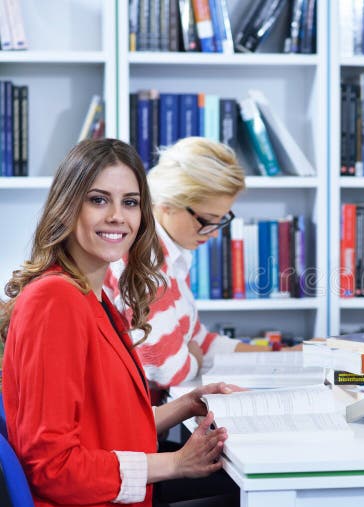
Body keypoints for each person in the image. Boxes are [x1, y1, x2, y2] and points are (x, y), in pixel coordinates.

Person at [0, 139, 237, 507]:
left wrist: (185, 405)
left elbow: (106, 430)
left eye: (130, 202)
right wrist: (177, 464)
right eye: (98, 200)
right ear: (67, 206)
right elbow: (53, 466)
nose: (117, 216)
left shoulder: (92, 297)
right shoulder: (55, 300)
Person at [104, 137, 265, 395]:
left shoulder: (171, 255)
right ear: (168, 203)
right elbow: (163, 365)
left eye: (222, 220)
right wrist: (195, 359)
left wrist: (271, 354)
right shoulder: (144, 259)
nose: (214, 234)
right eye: (208, 220)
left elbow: (198, 340)